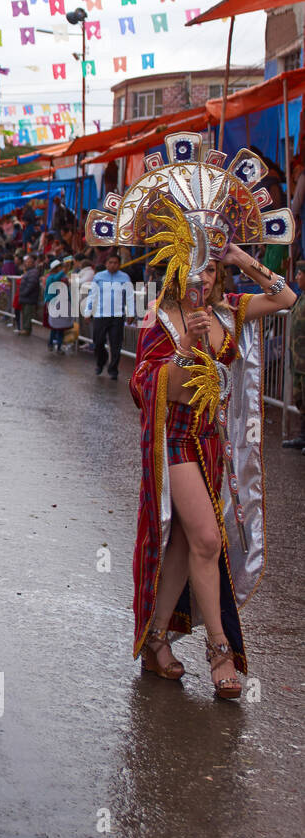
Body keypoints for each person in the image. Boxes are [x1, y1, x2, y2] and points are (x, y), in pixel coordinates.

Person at [92, 137, 298, 699]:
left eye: (210, 270)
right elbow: (147, 388)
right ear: (175, 268)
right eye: (195, 268)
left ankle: (157, 640)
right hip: (175, 444)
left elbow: (286, 301)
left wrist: (241, 259)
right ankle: (220, 659)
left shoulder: (229, 311)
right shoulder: (163, 322)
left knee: (185, 546)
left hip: (212, 447)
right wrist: (189, 356)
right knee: (207, 540)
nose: (202, 279)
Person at [89, 251, 135, 380]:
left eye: (116, 263)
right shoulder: (98, 276)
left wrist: (131, 313)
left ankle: (113, 369)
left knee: (116, 344)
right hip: (100, 314)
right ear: (106, 264)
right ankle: (100, 363)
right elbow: (92, 295)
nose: (113, 265)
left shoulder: (125, 277)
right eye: (110, 262)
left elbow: (130, 297)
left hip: (117, 316)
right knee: (98, 342)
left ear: (119, 264)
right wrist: (88, 311)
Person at [285, 261, 305, 451]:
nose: (297, 277)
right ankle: (302, 436)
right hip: (299, 360)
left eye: (300, 274)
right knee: (300, 399)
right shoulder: (300, 298)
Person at [44, 258, 73, 354]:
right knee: (55, 326)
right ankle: (51, 343)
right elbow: (55, 281)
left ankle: (59, 346)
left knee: (61, 327)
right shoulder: (51, 277)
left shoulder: (63, 277)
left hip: (64, 303)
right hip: (54, 303)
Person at [16, 254, 41, 336]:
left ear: (32, 263)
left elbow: (31, 285)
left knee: (27, 314)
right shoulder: (30, 272)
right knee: (25, 314)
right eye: (26, 262)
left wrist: (23, 293)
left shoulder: (33, 273)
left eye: (28, 262)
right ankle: (25, 329)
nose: (26, 264)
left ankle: (26, 329)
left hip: (29, 298)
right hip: (26, 297)